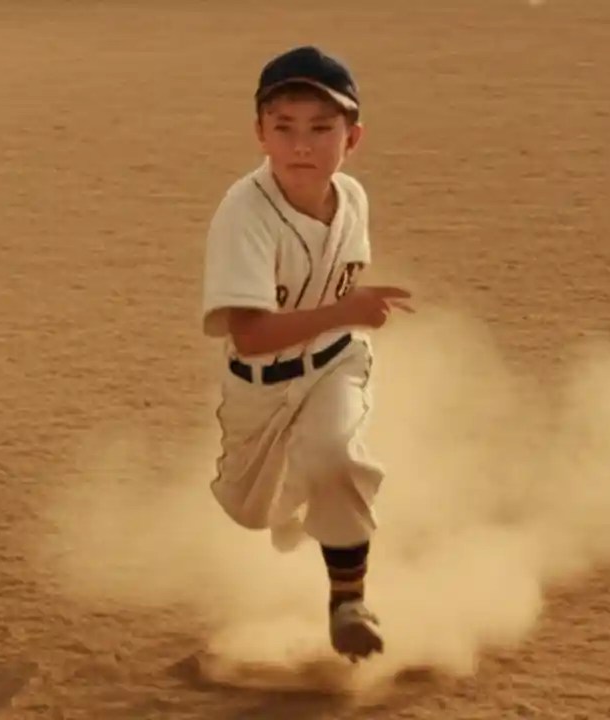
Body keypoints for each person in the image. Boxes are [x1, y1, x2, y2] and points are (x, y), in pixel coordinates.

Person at [199, 45, 412, 661]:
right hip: (258, 385)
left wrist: (345, 322)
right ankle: (303, 492)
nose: (303, 145)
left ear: (353, 137)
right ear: (260, 134)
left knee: (336, 451)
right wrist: (348, 309)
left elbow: (336, 310)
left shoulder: (353, 199)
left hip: (337, 361)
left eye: (323, 128)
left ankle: (349, 601)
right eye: (284, 127)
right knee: (250, 512)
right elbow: (249, 335)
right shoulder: (244, 214)